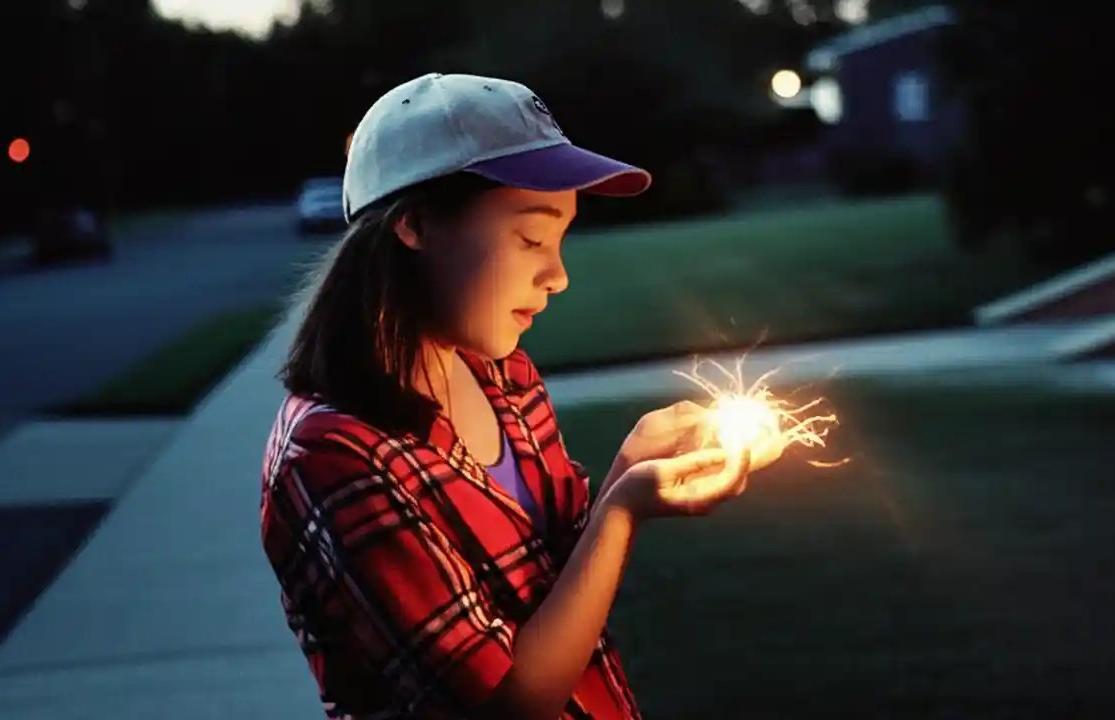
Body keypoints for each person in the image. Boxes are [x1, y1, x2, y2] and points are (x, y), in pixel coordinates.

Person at [259, 73, 782, 720]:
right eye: (531, 238)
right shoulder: (333, 454)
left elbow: (552, 592)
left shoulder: (503, 376)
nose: (558, 276)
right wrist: (621, 513)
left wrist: (628, 469)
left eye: (560, 241)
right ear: (416, 224)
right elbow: (511, 704)